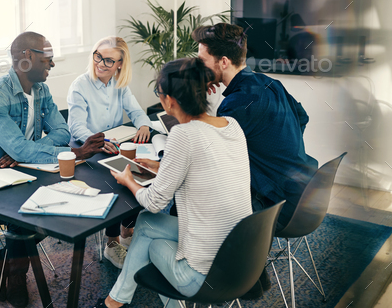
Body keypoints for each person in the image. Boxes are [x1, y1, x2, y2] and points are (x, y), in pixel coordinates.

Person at [93, 58, 252, 308]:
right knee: (145, 224)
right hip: (242, 259)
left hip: (203, 277)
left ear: (169, 100)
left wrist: (128, 180)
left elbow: (154, 202)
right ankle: (115, 301)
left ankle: (116, 302)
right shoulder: (232, 125)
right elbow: (205, 168)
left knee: (150, 236)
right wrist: (162, 166)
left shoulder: (183, 133)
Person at [0, 31, 105, 308]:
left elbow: (61, 131)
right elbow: (24, 149)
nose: (52, 64)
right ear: (27, 58)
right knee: (30, 214)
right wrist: (71, 153)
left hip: (25, 170)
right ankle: (16, 275)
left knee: (60, 202)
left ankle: (4, 260)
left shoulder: (42, 91)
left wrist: (25, 149)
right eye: (47, 58)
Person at [194, 22, 319, 298]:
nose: (198, 66)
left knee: (201, 192)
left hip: (280, 207)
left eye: (202, 60)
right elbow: (302, 117)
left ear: (223, 62)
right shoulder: (268, 83)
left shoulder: (239, 102)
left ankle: (219, 274)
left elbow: (208, 159)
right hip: (307, 191)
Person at [67, 36, 152, 268]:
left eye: (108, 60)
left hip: (113, 149)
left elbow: (135, 110)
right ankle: (111, 243)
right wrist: (97, 140)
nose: (101, 64)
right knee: (117, 183)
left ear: (119, 65)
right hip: (89, 153)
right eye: (98, 56)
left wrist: (143, 124)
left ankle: (127, 233)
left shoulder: (119, 84)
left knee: (140, 175)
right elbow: (76, 126)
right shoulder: (80, 85)